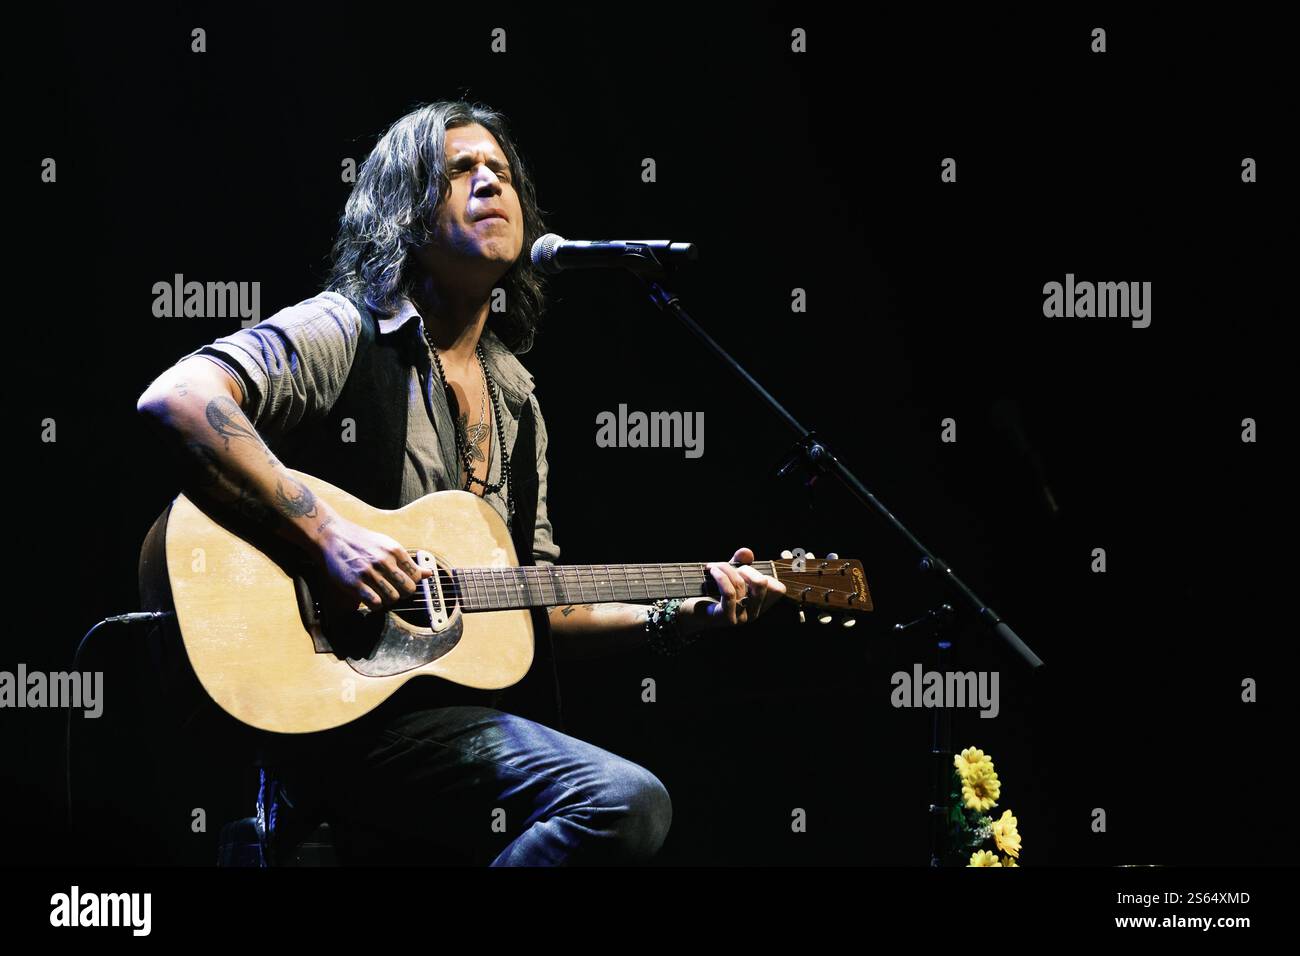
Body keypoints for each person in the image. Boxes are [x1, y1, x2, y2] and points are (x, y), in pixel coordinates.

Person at [136, 100, 786, 866]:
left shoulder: (515, 396)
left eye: (502, 171)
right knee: (618, 799)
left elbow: (536, 602)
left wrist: (678, 616)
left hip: (427, 721)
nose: (489, 183)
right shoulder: (344, 329)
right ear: (403, 208)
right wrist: (327, 539)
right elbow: (177, 399)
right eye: (459, 171)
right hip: (322, 706)